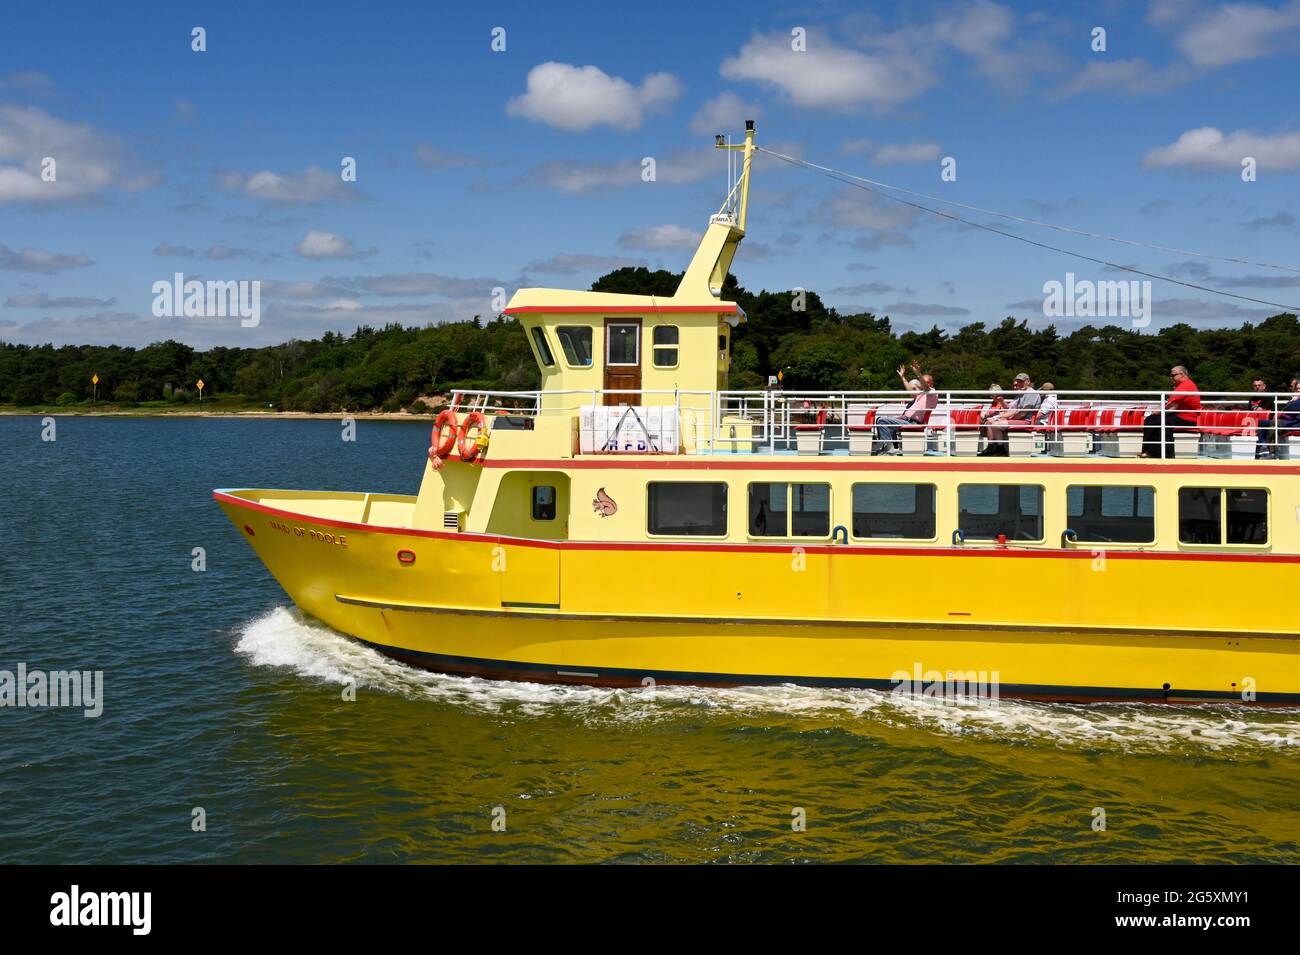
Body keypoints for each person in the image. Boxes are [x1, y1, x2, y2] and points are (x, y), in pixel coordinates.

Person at [1140, 365, 1200, 458]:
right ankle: (1152, 451)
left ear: (1181, 374)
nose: (1171, 377)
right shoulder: (1183, 386)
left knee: (1155, 420)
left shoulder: (1185, 386)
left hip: (1187, 419)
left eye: (1173, 375)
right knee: (1153, 420)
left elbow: (1172, 408)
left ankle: (1156, 453)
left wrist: (1158, 412)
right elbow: (1171, 405)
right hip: (1181, 417)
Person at [874, 370, 937, 454]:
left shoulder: (932, 393)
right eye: (922, 382)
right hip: (906, 420)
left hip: (913, 423)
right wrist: (903, 377)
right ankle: (886, 447)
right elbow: (910, 390)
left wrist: (918, 373)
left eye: (925, 382)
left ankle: (888, 450)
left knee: (882, 421)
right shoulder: (922, 394)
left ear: (931, 384)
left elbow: (925, 387)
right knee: (880, 420)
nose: (923, 384)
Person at [978, 372, 1039, 456]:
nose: (1018, 384)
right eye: (1018, 381)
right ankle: (993, 447)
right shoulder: (1021, 394)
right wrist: (999, 416)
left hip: (1026, 421)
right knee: (991, 423)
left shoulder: (1031, 393)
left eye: (1021, 381)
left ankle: (1000, 449)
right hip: (1019, 419)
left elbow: (1022, 413)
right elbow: (1011, 409)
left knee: (995, 424)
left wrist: (1004, 417)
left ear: (1028, 381)